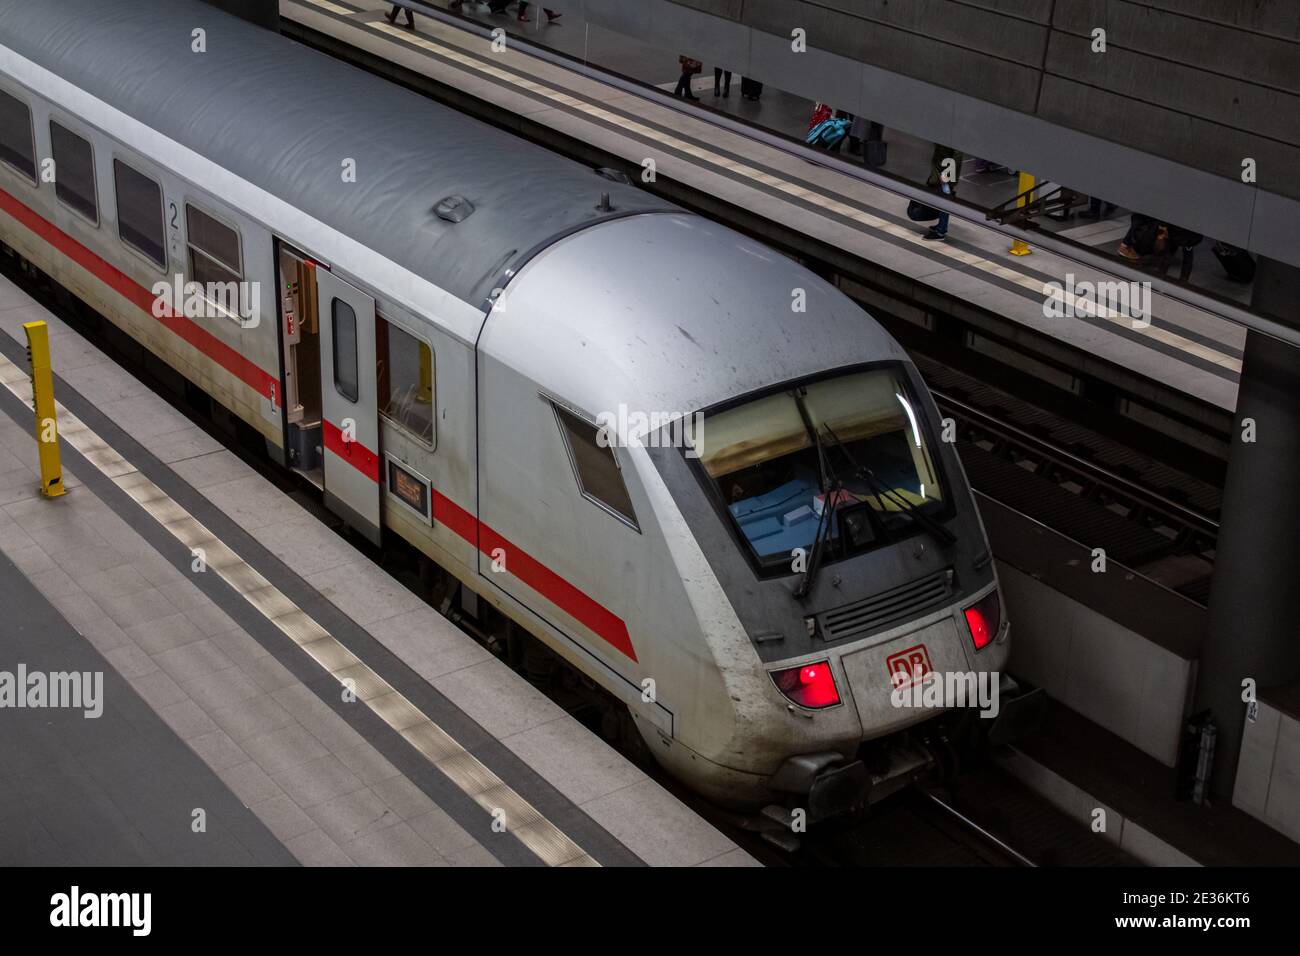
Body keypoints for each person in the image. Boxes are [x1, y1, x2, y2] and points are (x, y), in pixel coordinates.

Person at [922, 144, 963, 241]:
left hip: (945, 175)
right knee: (942, 202)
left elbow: (957, 156)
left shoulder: (954, 138)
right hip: (941, 171)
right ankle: (941, 226)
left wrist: (947, 174)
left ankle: (941, 231)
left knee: (945, 203)